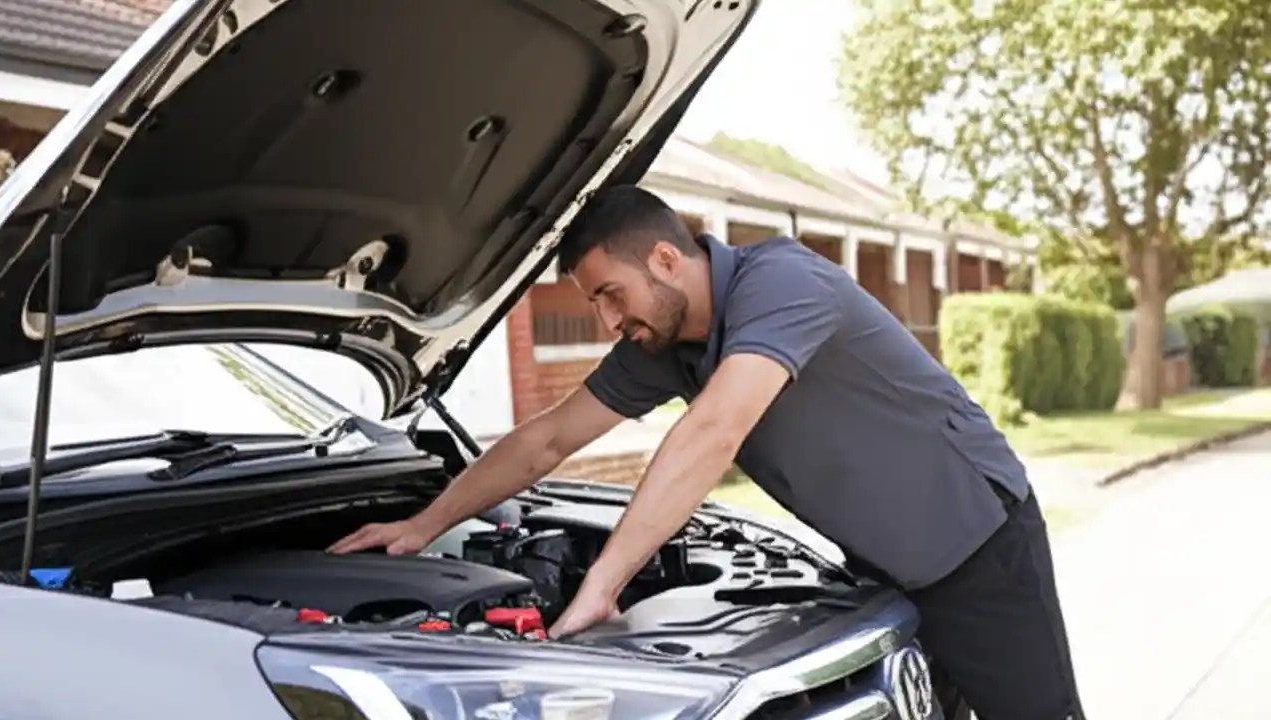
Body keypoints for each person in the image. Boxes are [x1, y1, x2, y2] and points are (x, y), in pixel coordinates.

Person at [328, 185, 1083, 719]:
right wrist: (424, 525)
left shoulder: (783, 282)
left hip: (977, 545)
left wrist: (604, 584)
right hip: (886, 565)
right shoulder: (662, 344)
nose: (609, 320)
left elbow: (714, 430)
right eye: (596, 305)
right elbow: (547, 438)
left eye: (611, 295)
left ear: (664, 258)